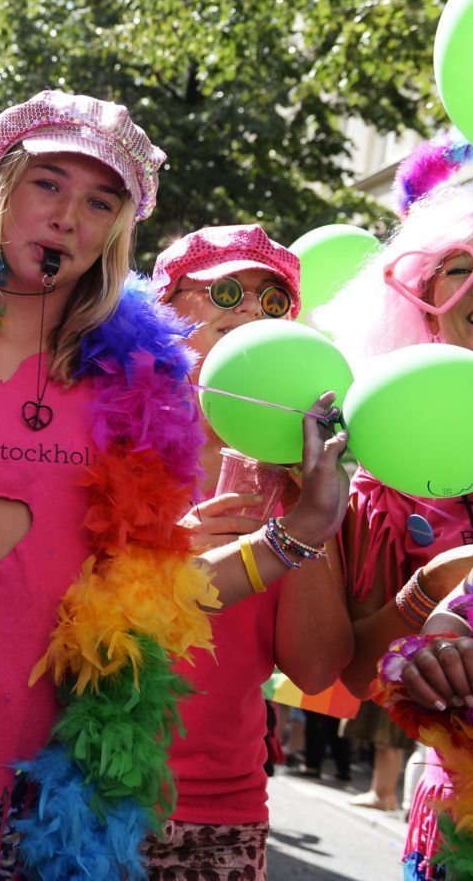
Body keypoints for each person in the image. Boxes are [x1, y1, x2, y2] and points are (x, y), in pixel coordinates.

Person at [0, 93, 349, 879]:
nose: (67, 217)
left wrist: (296, 531)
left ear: (117, 231)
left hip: (54, 799)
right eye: (47, 184)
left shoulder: (140, 390)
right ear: (0, 189)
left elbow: (146, 605)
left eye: (99, 201)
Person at [147, 225, 353, 879]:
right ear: (165, 306)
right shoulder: (105, 430)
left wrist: (306, 517)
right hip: (84, 788)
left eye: (273, 304)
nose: (248, 313)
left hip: (222, 809)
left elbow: (316, 669)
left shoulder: (299, 473)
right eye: (227, 290)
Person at [316, 185, 473, 878]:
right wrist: (430, 595)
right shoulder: (390, 467)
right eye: (461, 266)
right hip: (470, 816)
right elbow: (358, 671)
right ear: (421, 298)